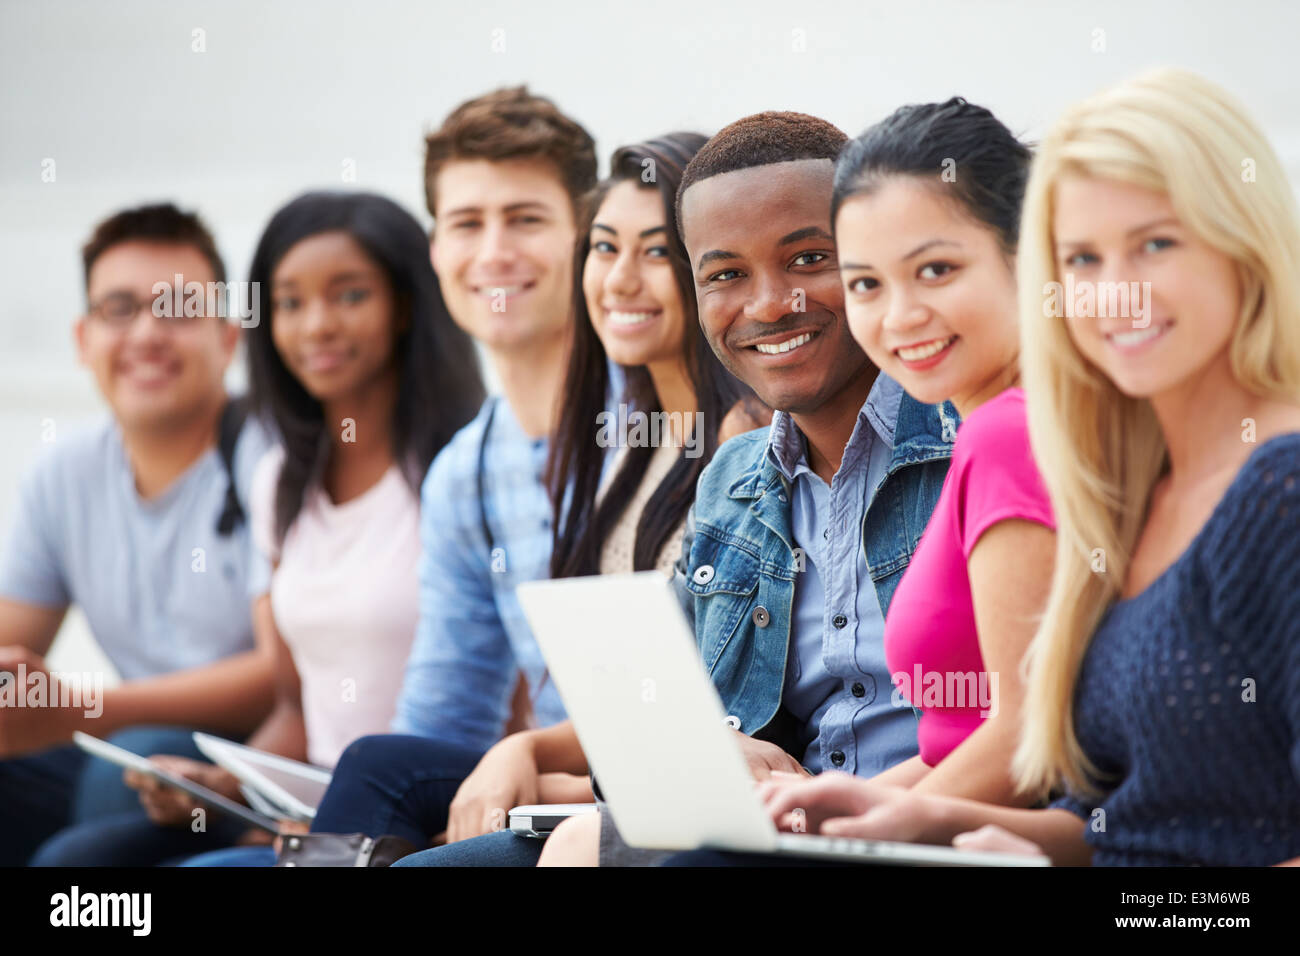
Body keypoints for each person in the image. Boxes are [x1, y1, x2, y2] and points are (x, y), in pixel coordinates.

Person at [754, 68, 1300, 867]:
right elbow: (1123, 826)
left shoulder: (1278, 489)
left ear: (1244, 244)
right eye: (1081, 259)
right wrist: (893, 819)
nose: (1114, 295)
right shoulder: (1139, 485)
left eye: (1155, 244)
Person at [32, 191, 485, 866]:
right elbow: (294, 706)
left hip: (404, 818)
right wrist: (222, 789)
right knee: (76, 870)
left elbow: (507, 703)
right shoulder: (282, 480)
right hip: (305, 808)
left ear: (405, 306)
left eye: (350, 295)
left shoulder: (461, 470)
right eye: (291, 302)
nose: (317, 325)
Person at [391, 133, 766, 867]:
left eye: (658, 252)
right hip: (618, 773)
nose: (622, 279)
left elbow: (715, 698)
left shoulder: (744, 437)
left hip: (685, 788)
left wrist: (548, 773)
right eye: (604, 248)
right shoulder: (616, 444)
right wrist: (525, 753)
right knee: (383, 767)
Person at [299, 87, 603, 866]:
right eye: (467, 223)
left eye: (526, 219)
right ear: (437, 250)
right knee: (375, 771)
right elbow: (446, 717)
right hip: (537, 791)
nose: (493, 251)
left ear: (586, 237)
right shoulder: (464, 473)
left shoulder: (663, 425)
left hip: (618, 794)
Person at [0, 203, 274, 865]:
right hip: (126, 747)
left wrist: (79, 710)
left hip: (260, 762)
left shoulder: (270, 454)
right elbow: (11, 651)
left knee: (127, 763)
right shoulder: (63, 473)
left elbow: (285, 675)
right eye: (119, 309)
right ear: (82, 338)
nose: (147, 333)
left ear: (229, 337)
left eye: (178, 309)